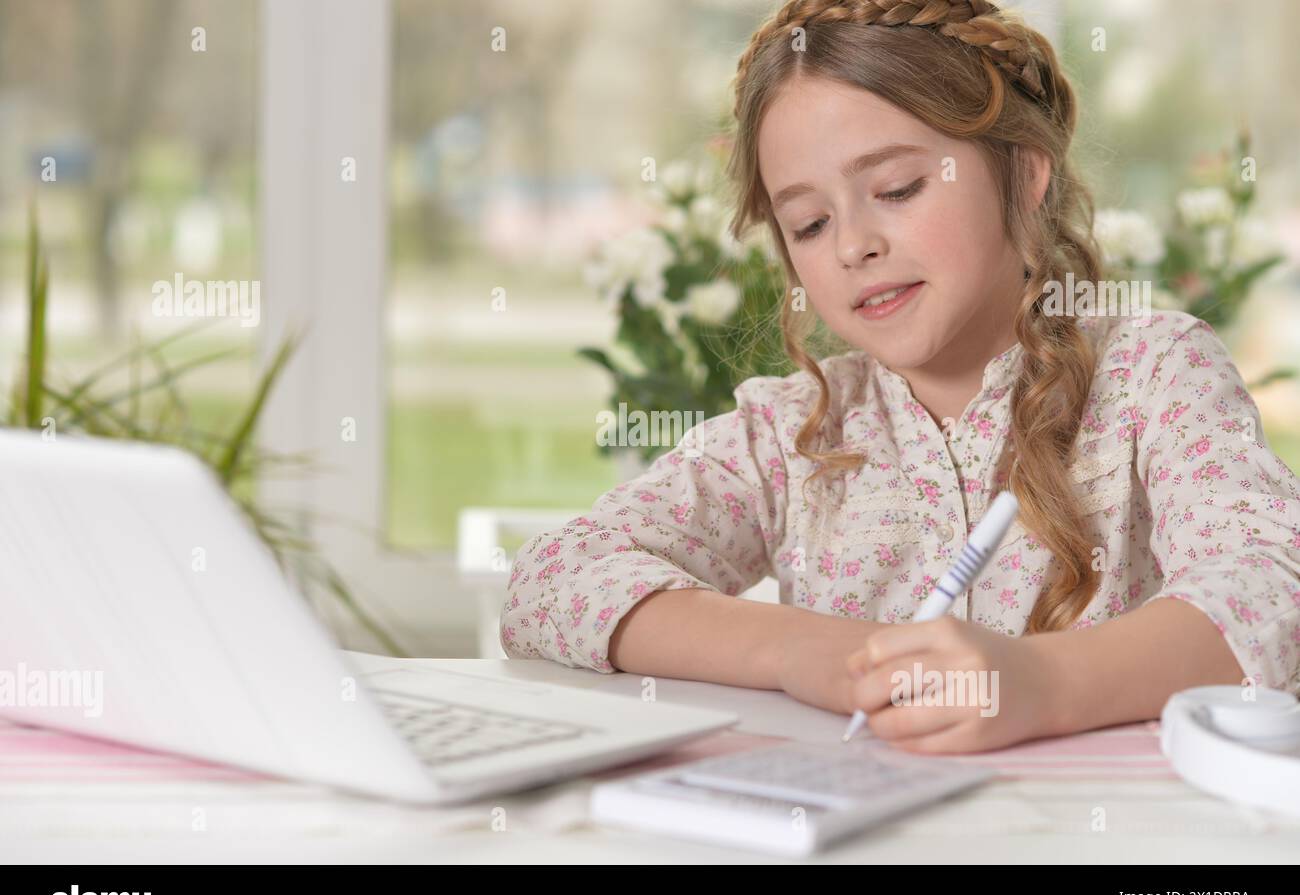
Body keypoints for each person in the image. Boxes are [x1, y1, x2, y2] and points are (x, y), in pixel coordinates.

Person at [500, 0, 1300, 753]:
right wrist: (805, 651)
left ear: (1024, 175)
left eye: (898, 189)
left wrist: (1043, 682)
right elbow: (551, 581)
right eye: (809, 223)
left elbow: (1273, 585)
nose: (852, 245)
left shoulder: (1157, 373)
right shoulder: (789, 434)